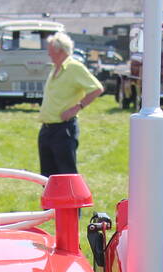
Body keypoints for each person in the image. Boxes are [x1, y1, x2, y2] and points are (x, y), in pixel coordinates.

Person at [37, 32, 102, 177]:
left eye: (50, 49)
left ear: (59, 49)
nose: (48, 53)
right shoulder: (55, 68)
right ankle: (51, 201)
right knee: (47, 177)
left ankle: (72, 201)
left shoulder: (74, 68)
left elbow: (97, 89)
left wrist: (77, 107)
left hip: (63, 129)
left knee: (66, 175)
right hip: (46, 129)